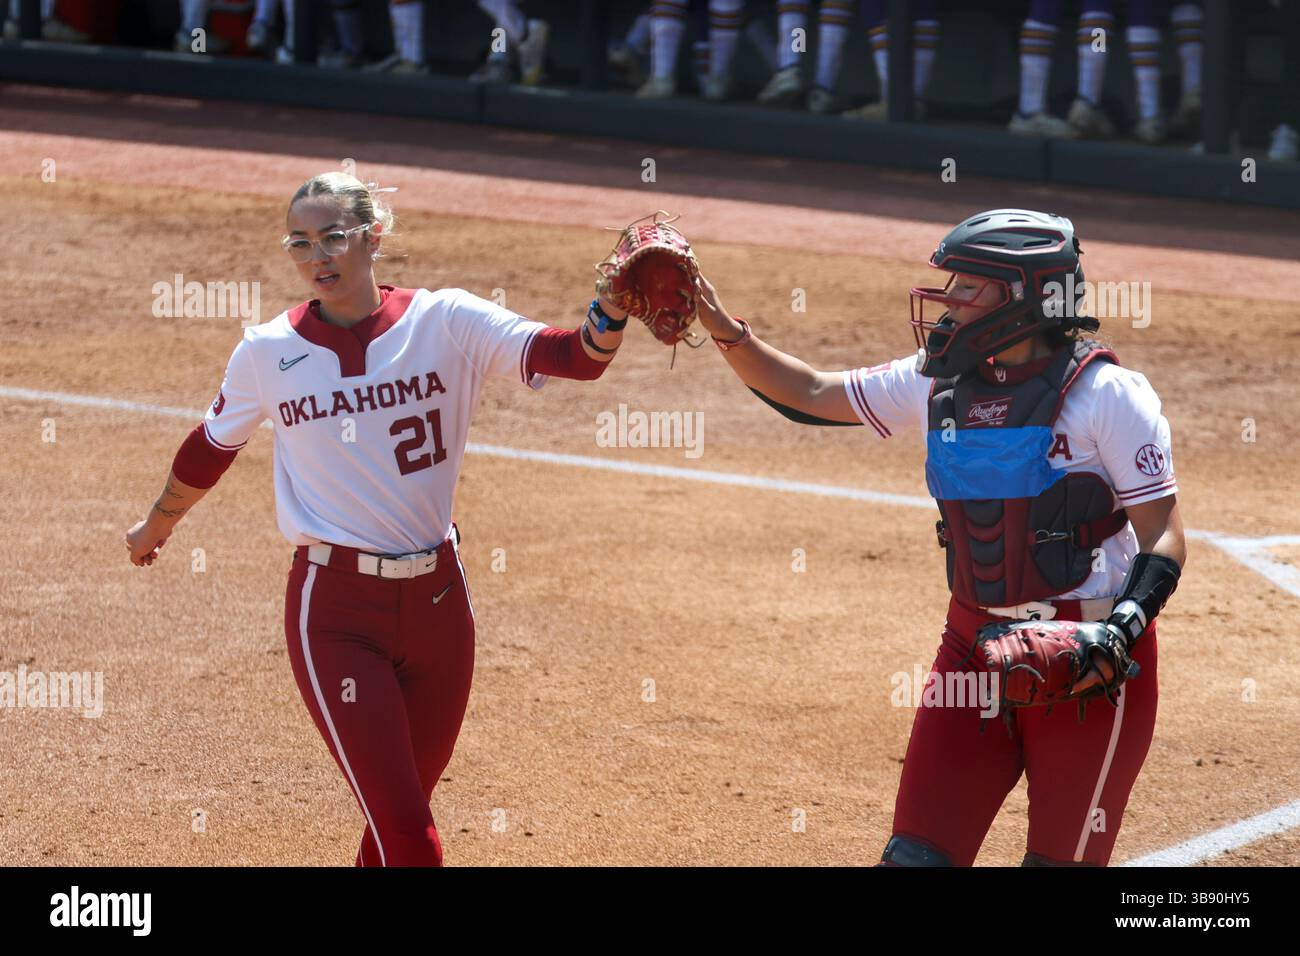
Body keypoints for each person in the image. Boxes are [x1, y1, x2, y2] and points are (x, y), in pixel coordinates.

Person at [123, 172, 631, 866]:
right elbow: (211, 447)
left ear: (374, 235)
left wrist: (611, 309)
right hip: (336, 615)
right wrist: (157, 525)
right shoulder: (268, 352)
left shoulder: (446, 321)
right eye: (299, 242)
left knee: (392, 831)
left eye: (334, 236)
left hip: (441, 607)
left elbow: (576, 357)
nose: (317, 255)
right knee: (412, 842)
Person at [691, 209, 1185, 866]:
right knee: (913, 859)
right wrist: (721, 327)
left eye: (967, 286)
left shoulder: (1108, 395)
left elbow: (1165, 537)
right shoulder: (936, 381)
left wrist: (1118, 632)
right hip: (970, 648)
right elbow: (807, 392)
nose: (948, 300)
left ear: (1025, 296)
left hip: (1089, 667)